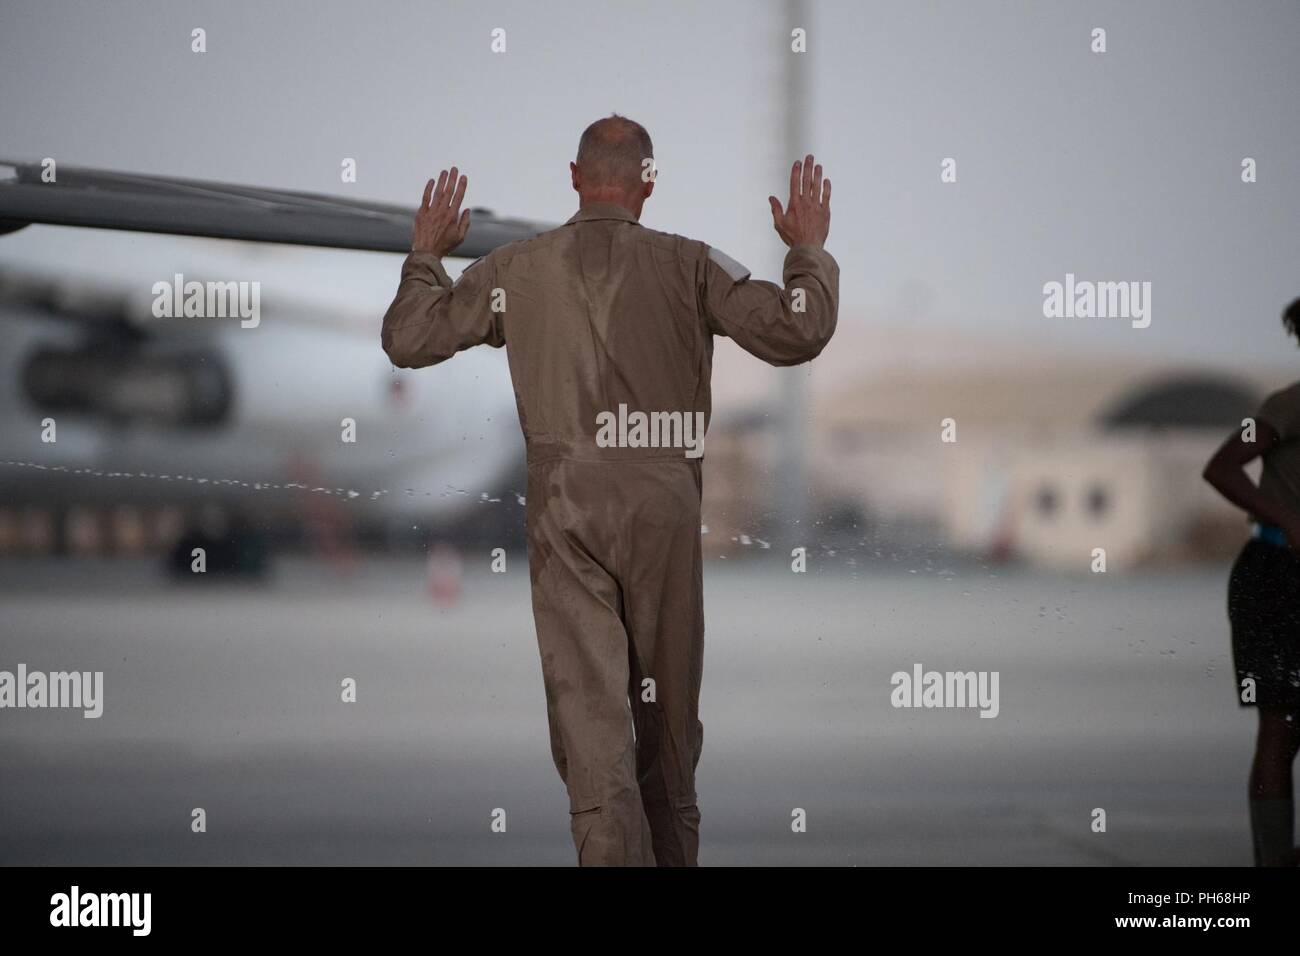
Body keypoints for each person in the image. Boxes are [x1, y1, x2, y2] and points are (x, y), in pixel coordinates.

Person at [380, 114, 838, 865]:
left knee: (595, 738)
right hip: (662, 509)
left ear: (573, 177)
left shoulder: (515, 270)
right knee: (666, 739)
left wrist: (425, 257)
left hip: (568, 511)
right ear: (648, 184)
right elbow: (800, 331)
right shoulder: (693, 266)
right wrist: (806, 251)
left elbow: (409, 339)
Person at [1203, 297, 1300, 867]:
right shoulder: (1285, 406)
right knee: (1281, 726)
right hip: (1276, 575)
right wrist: (1285, 518)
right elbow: (1220, 465)